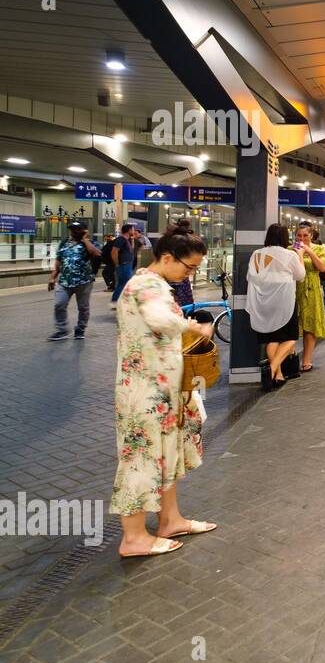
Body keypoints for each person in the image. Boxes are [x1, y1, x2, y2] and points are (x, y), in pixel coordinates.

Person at [110, 230, 216, 557]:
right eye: (189, 267)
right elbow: (159, 318)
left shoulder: (153, 284)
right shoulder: (145, 285)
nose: (191, 274)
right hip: (144, 392)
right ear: (167, 257)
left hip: (161, 390)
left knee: (166, 455)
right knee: (141, 460)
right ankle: (134, 537)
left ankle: (170, 520)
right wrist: (193, 327)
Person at [247, 223, 304, 388]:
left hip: (262, 300)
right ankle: (271, 369)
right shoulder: (289, 254)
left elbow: (251, 276)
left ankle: (278, 375)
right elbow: (300, 275)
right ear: (285, 237)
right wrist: (299, 255)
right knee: (291, 337)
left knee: (271, 338)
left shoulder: (256, 254)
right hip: (284, 300)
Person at [47, 220, 100, 341]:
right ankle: (62, 330)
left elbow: (96, 254)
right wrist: (52, 277)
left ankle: (80, 329)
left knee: (83, 308)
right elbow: (59, 261)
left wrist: (85, 240)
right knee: (59, 304)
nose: (74, 231)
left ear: (84, 230)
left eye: (78, 229)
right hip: (65, 281)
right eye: (72, 229)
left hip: (84, 282)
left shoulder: (91, 243)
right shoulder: (64, 243)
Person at [294, 222, 325, 372]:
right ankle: (290, 356)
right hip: (294, 288)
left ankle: (306, 360)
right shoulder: (290, 250)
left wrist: (309, 251)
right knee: (293, 325)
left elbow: (322, 268)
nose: (302, 238)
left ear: (311, 236)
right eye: (299, 235)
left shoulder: (319, 248)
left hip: (312, 289)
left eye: (305, 235)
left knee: (310, 326)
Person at [163, 220, 196, 308]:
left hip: (174, 278)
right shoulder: (180, 243)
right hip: (177, 278)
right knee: (181, 303)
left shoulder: (167, 242)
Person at [109, 223, 138, 304]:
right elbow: (114, 252)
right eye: (132, 229)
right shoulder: (121, 239)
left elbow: (131, 249)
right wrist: (117, 264)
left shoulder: (127, 240)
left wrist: (132, 239)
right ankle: (116, 300)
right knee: (125, 283)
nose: (134, 231)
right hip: (123, 265)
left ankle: (116, 300)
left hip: (127, 264)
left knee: (123, 283)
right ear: (129, 230)